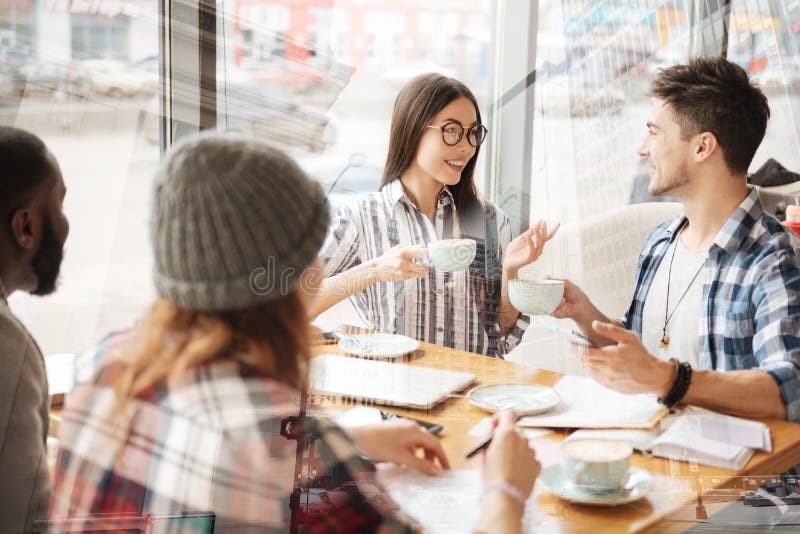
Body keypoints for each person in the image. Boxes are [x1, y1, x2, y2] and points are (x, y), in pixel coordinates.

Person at [50, 133, 540, 533]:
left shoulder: (101, 366)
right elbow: (258, 445)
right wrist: (506, 491)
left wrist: (350, 437)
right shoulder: (283, 439)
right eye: (311, 251)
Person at [552, 56, 800, 422]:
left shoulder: (773, 257)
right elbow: (644, 354)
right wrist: (584, 314)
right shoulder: (659, 243)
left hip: (735, 475)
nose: (642, 148)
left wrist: (668, 378)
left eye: (654, 132)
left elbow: (789, 389)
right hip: (655, 454)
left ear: (703, 147)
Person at [312, 73, 557, 358]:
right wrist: (375, 270)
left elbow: (501, 337)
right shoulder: (363, 218)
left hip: (474, 395)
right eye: (451, 131)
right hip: (397, 394)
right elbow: (296, 308)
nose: (466, 146)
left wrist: (510, 272)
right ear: (414, 128)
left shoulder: (491, 220)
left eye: (473, 132)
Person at [0, 127, 70, 532]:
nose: (65, 225)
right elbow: (25, 523)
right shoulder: (10, 352)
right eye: (60, 203)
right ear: (25, 227)